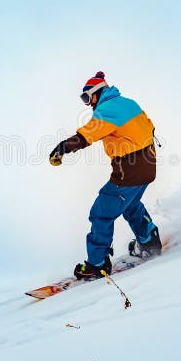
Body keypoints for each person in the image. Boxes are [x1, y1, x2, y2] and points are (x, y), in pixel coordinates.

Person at [49, 71, 162, 280]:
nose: (87, 104)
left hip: (130, 171)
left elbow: (87, 135)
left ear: (96, 93)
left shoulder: (107, 109)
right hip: (148, 167)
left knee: (101, 213)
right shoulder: (127, 103)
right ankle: (149, 241)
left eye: (86, 98)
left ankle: (97, 264)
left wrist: (62, 147)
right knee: (130, 205)